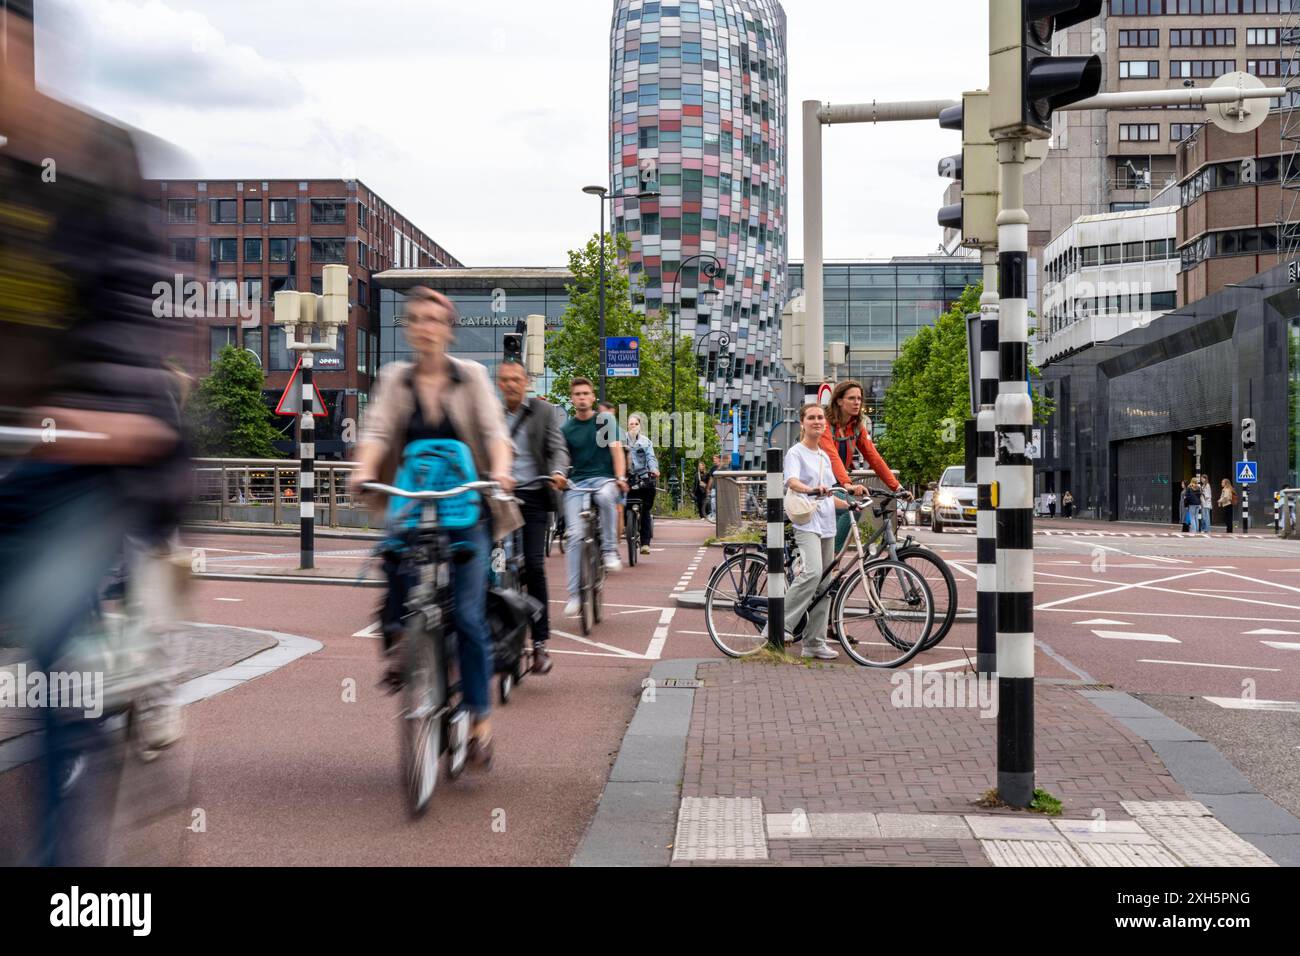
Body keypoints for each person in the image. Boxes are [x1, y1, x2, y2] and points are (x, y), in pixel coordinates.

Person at [0, 4, 184, 863]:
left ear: (23, 43)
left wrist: (101, 419)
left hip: (90, 460)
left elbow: (135, 311)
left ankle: (61, 871)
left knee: (49, 650)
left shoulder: (99, 160)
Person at [354, 286, 516, 771]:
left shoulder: (470, 377)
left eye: (435, 319)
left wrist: (502, 470)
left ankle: (480, 716)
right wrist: (363, 470)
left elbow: (493, 434)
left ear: (448, 329)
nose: (426, 327)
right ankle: (409, 642)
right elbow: (378, 433)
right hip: (414, 502)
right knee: (394, 565)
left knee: (467, 613)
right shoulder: (394, 380)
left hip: (465, 504)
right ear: (408, 327)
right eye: (417, 318)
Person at [496, 360, 568, 674]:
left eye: (516, 379)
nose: (511, 384)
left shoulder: (543, 412)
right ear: (499, 383)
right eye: (505, 379)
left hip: (535, 495)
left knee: (535, 566)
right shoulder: (492, 415)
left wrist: (557, 472)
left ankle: (539, 644)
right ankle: (493, 633)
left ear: (526, 381)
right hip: (500, 499)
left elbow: (557, 448)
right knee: (492, 565)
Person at [782, 403, 852, 660]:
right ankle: (780, 625)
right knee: (811, 573)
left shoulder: (823, 456)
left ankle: (814, 642)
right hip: (806, 522)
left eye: (820, 418)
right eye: (811, 418)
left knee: (825, 583)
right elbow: (792, 481)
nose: (817, 421)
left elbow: (829, 495)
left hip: (826, 523)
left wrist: (848, 504)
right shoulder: (796, 453)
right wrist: (810, 489)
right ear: (802, 423)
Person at [561, 378, 628, 616]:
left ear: (592, 398)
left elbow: (617, 450)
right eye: (577, 394)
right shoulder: (566, 429)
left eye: (585, 393)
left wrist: (620, 477)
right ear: (572, 398)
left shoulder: (605, 420)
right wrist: (558, 476)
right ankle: (574, 595)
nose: (581, 397)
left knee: (604, 497)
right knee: (575, 535)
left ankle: (609, 550)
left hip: (605, 480)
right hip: (577, 484)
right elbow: (562, 458)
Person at [820, 380, 907, 555]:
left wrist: (896, 487)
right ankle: (831, 559)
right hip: (819, 484)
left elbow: (874, 457)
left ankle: (828, 558)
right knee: (851, 507)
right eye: (851, 398)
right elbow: (832, 456)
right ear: (839, 400)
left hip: (838, 484)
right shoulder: (825, 425)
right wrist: (848, 484)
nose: (857, 402)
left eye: (859, 398)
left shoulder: (856, 427)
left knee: (849, 509)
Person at [624, 413, 659, 554]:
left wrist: (654, 469)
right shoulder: (621, 440)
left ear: (640, 426)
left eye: (636, 424)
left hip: (642, 477)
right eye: (631, 424)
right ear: (627, 425)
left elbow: (651, 458)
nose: (633, 426)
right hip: (626, 477)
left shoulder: (646, 442)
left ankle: (645, 543)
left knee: (645, 509)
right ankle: (626, 527)